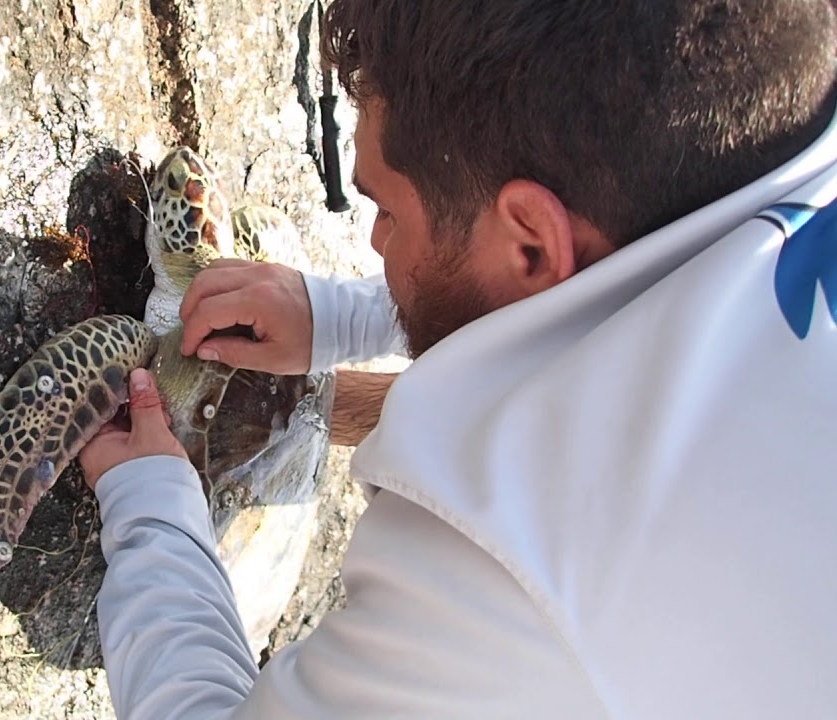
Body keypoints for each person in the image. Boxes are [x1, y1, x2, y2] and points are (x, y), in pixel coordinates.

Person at [80, 1, 837, 717]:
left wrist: (151, 505)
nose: (375, 242)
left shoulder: (519, 575)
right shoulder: (793, 112)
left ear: (530, 242)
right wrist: (340, 316)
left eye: (387, 212)